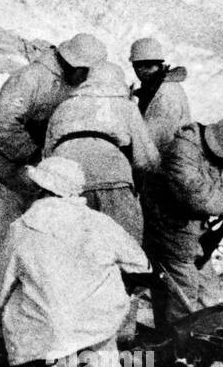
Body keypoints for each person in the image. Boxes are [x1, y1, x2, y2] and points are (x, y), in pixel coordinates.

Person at [0, 157, 150, 367]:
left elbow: (2, 285)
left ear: (40, 189)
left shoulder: (22, 226)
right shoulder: (101, 223)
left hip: (48, 323)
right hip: (97, 322)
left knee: (26, 293)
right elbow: (141, 265)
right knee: (104, 294)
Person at [0, 32, 107, 307]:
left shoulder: (71, 85)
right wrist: (34, 156)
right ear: (76, 66)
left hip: (36, 179)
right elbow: (3, 124)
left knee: (27, 245)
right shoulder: (30, 79)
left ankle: (17, 309)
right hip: (3, 173)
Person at [142, 117, 223, 331]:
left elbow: (214, 182)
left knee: (207, 289)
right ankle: (177, 344)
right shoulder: (182, 151)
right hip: (170, 230)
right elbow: (196, 196)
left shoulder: (207, 153)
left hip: (190, 232)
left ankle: (203, 335)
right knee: (183, 291)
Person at [44, 60, 158, 243]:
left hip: (65, 180)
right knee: (124, 243)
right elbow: (146, 159)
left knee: (70, 246)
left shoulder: (63, 107)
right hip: (112, 178)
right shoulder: (126, 107)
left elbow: (47, 154)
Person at [129, 37, 193, 154]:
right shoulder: (153, 88)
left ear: (159, 64)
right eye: (138, 65)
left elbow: (153, 140)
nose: (142, 70)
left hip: (167, 159)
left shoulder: (165, 93)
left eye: (148, 65)